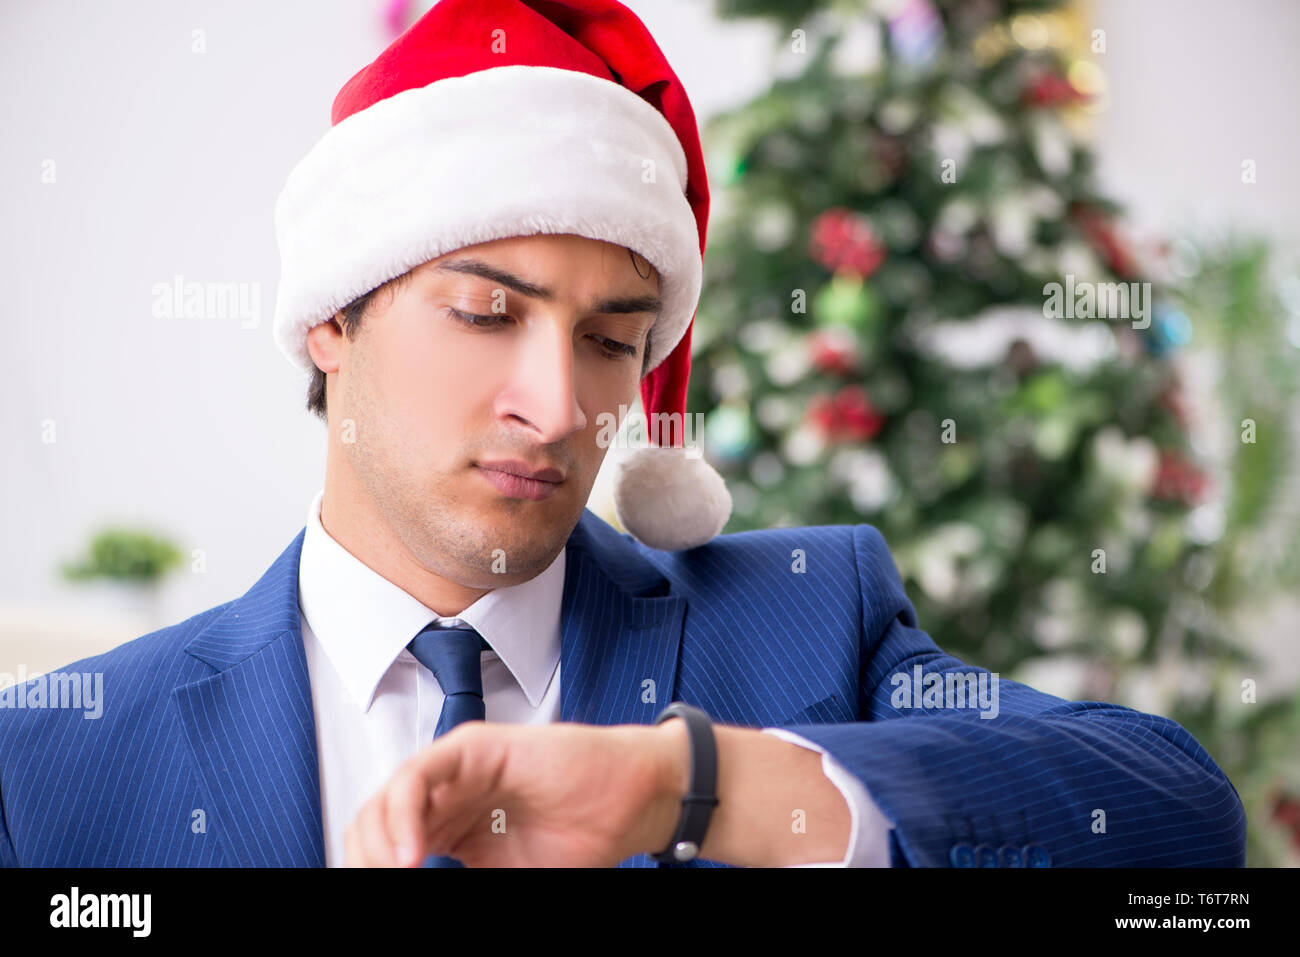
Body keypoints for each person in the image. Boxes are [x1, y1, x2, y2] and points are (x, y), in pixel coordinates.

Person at [0, 0, 1245, 869]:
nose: (557, 406)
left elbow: (1172, 816)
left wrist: (688, 789)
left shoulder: (810, 622)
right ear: (330, 319)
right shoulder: (52, 759)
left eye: (611, 341)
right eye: (488, 313)